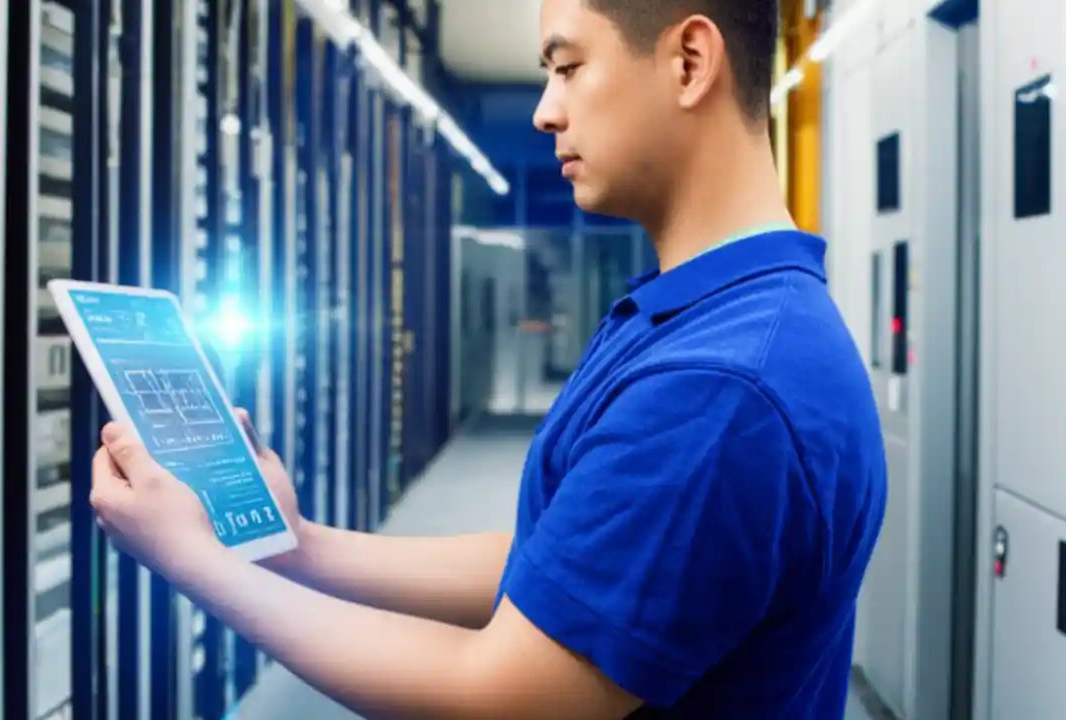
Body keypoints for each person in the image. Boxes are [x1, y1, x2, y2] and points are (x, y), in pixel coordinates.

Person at [90, 0, 887, 717]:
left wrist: (195, 562)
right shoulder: (712, 319)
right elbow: (566, 568)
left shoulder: (719, 385)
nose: (545, 112)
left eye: (568, 67)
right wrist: (299, 546)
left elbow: (502, 696)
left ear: (689, 62)